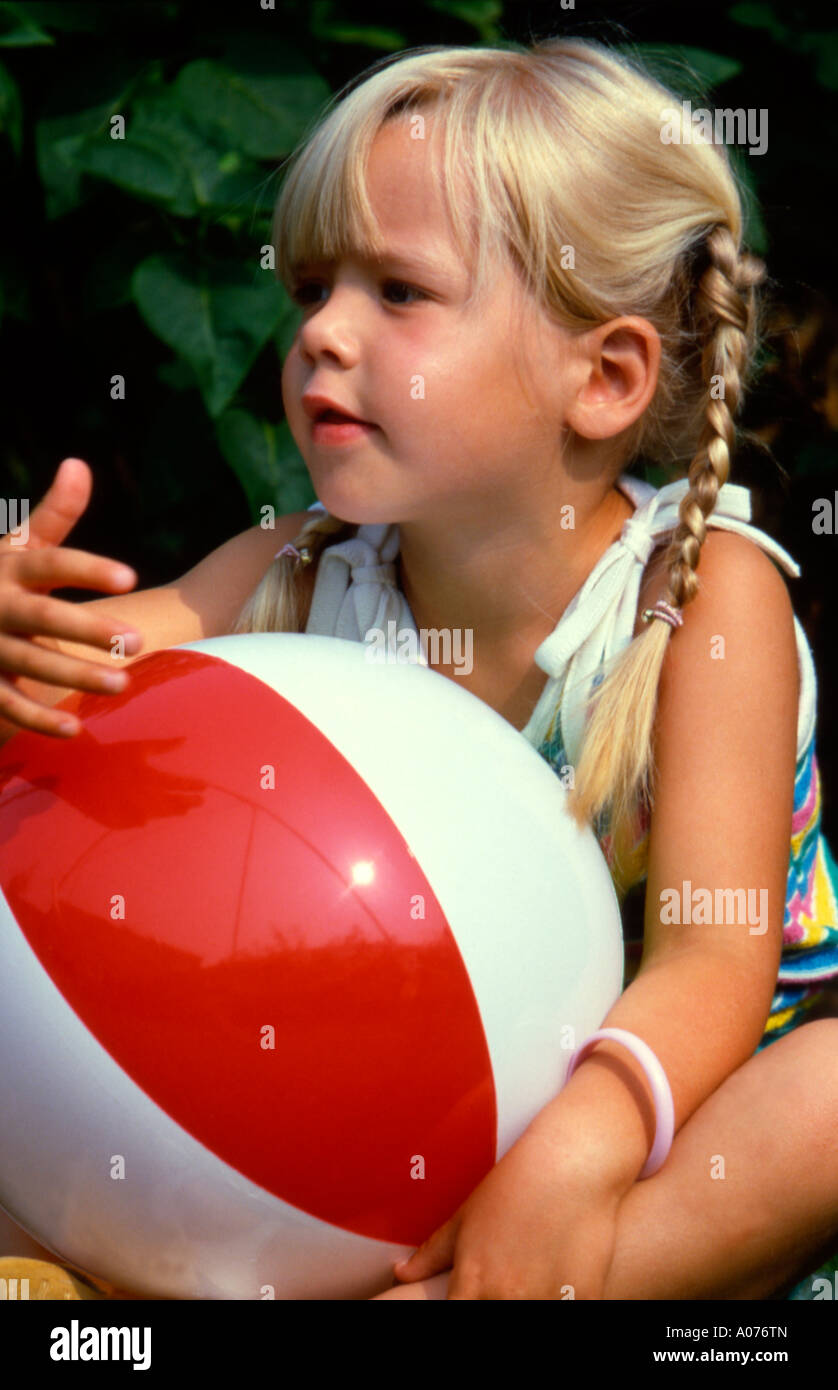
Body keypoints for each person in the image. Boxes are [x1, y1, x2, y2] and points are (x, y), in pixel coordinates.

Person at [1, 37, 837, 1302]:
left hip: (658, 1099)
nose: (321, 333)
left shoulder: (704, 597)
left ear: (602, 376)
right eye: (311, 289)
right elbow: (79, 691)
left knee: (829, 1097)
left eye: (397, 292)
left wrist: (581, 1147)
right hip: (377, 1098)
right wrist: (15, 637)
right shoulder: (287, 566)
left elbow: (711, 965)